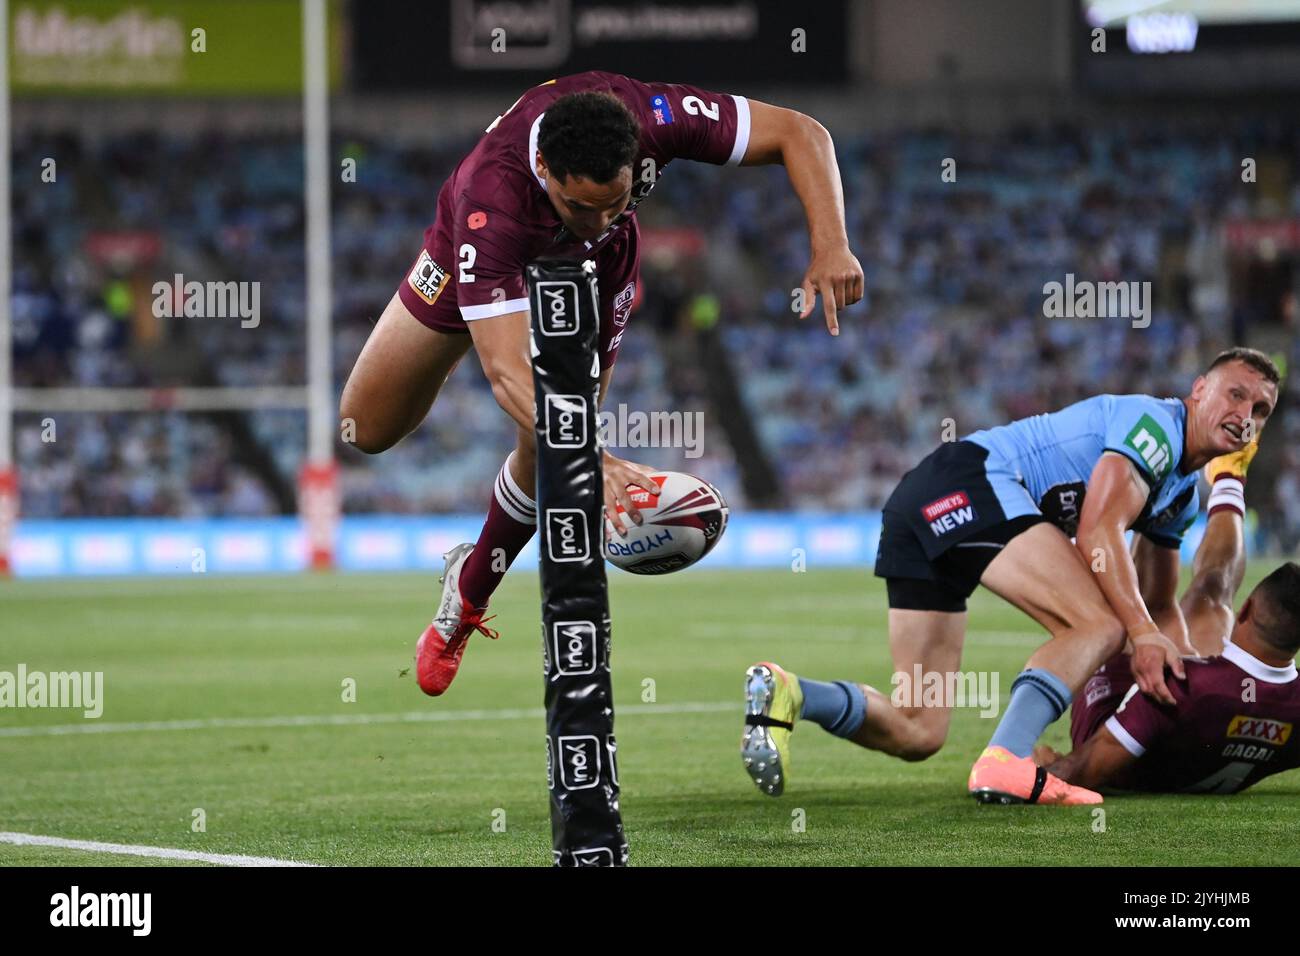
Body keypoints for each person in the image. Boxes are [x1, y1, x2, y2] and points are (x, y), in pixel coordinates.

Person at [341, 72, 864, 696]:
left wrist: (831, 243)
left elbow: (802, 132)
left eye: (616, 202)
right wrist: (593, 453)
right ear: (543, 167)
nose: (600, 218)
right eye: (581, 207)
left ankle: (468, 593)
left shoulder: (656, 119)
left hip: (596, 274)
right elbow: (510, 374)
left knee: (549, 444)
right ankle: (466, 340)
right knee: (366, 428)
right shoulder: (494, 200)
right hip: (473, 262)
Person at [742, 348, 1279, 805]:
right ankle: (1007, 758)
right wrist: (1139, 635)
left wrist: (1188, 692)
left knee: (917, 729)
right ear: (1200, 388)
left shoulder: (1180, 496)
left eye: (1260, 409)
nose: (1245, 414)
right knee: (1099, 626)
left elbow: (1160, 608)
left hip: (923, 502)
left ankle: (789, 693)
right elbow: (1098, 533)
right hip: (970, 481)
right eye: (1235, 395)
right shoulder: (1155, 427)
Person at [1041, 443, 1300, 795]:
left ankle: (1169, 486)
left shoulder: (1179, 686)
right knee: (1209, 592)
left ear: (1247, 608)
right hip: (1211, 717)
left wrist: (1037, 771)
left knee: (1138, 612)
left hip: (1118, 734)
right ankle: (1223, 476)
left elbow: (1084, 772)